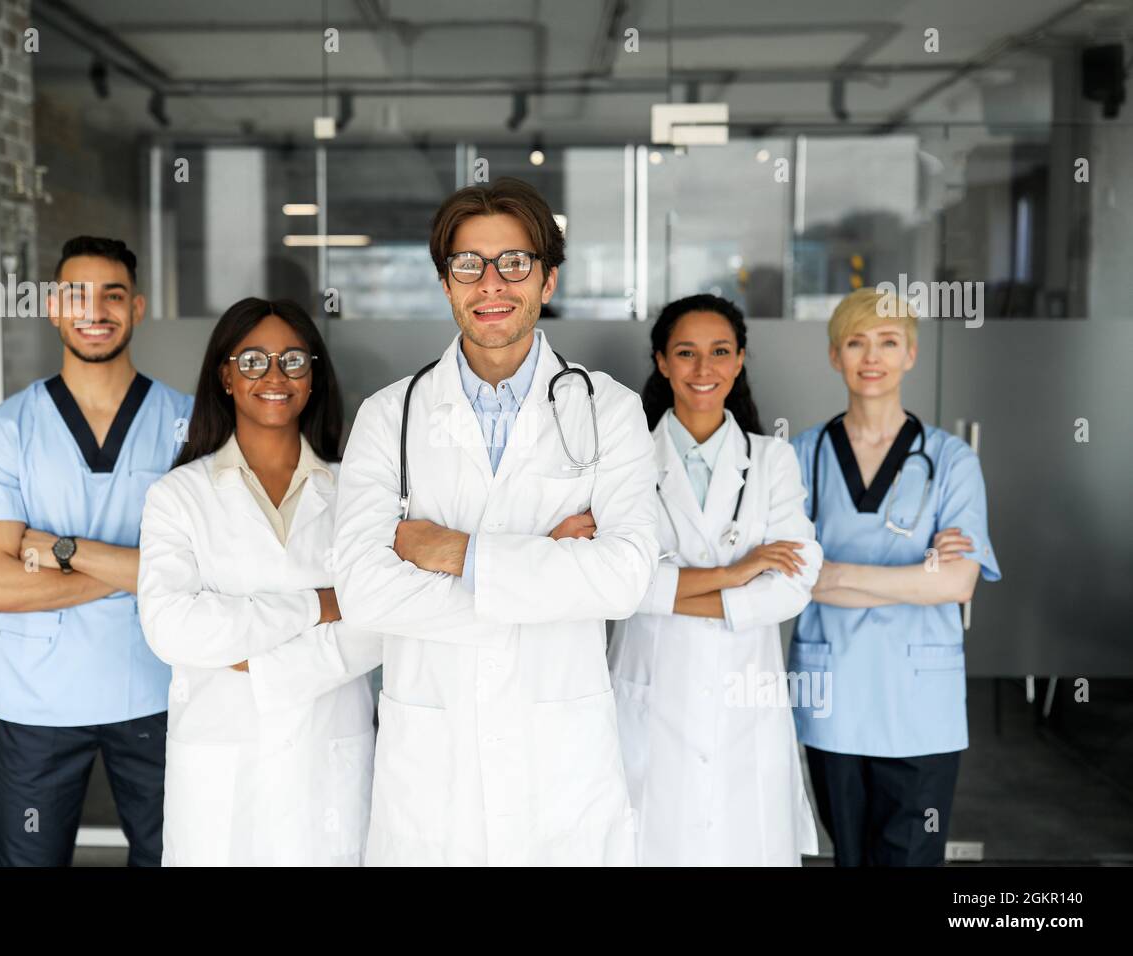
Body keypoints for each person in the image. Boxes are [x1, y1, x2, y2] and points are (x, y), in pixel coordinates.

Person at [332, 177, 658, 866]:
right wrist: (546, 566)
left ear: (548, 278)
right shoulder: (390, 417)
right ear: (445, 283)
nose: (492, 284)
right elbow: (364, 591)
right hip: (433, 766)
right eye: (468, 265)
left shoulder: (611, 410)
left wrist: (456, 551)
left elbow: (626, 578)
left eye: (514, 262)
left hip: (561, 764)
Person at [0, 236, 193, 866]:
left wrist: (64, 551)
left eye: (112, 296)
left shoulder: (187, 424)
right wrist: (138, 571)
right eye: (76, 297)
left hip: (160, 689)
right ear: (54, 310)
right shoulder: (5, 431)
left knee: (177, 856)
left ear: (137, 309)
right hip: (39, 701)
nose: (96, 311)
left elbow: (203, 571)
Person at [137, 298, 381, 866]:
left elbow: (380, 621)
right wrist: (318, 605)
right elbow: (173, 628)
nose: (274, 376)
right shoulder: (177, 496)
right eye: (253, 361)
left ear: (314, 374)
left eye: (294, 360)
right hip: (223, 765)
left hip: (329, 761)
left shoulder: (356, 491)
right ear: (224, 374)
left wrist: (249, 650)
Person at [788, 286, 1001, 867]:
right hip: (835, 700)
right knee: (850, 858)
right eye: (856, 343)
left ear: (910, 354)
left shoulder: (951, 458)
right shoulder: (801, 455)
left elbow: (957, 584)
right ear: (835, 356)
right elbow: (787, 579)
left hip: (919, 708)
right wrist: (916, 570)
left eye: (888, 342)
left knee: (911, 859)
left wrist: (832, 572)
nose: (872, 357)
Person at [609, 294, 822, 865]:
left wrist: (665, 589)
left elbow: (792, 585)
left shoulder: (773, 459)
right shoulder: (624, 459)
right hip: (651, 698)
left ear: (739, 360)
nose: (703, 370)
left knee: (742, 842)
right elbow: (616, 581)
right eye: (686, 353)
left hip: (743, 704)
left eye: (719, 352)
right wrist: (735, 574)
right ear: (662, 362)